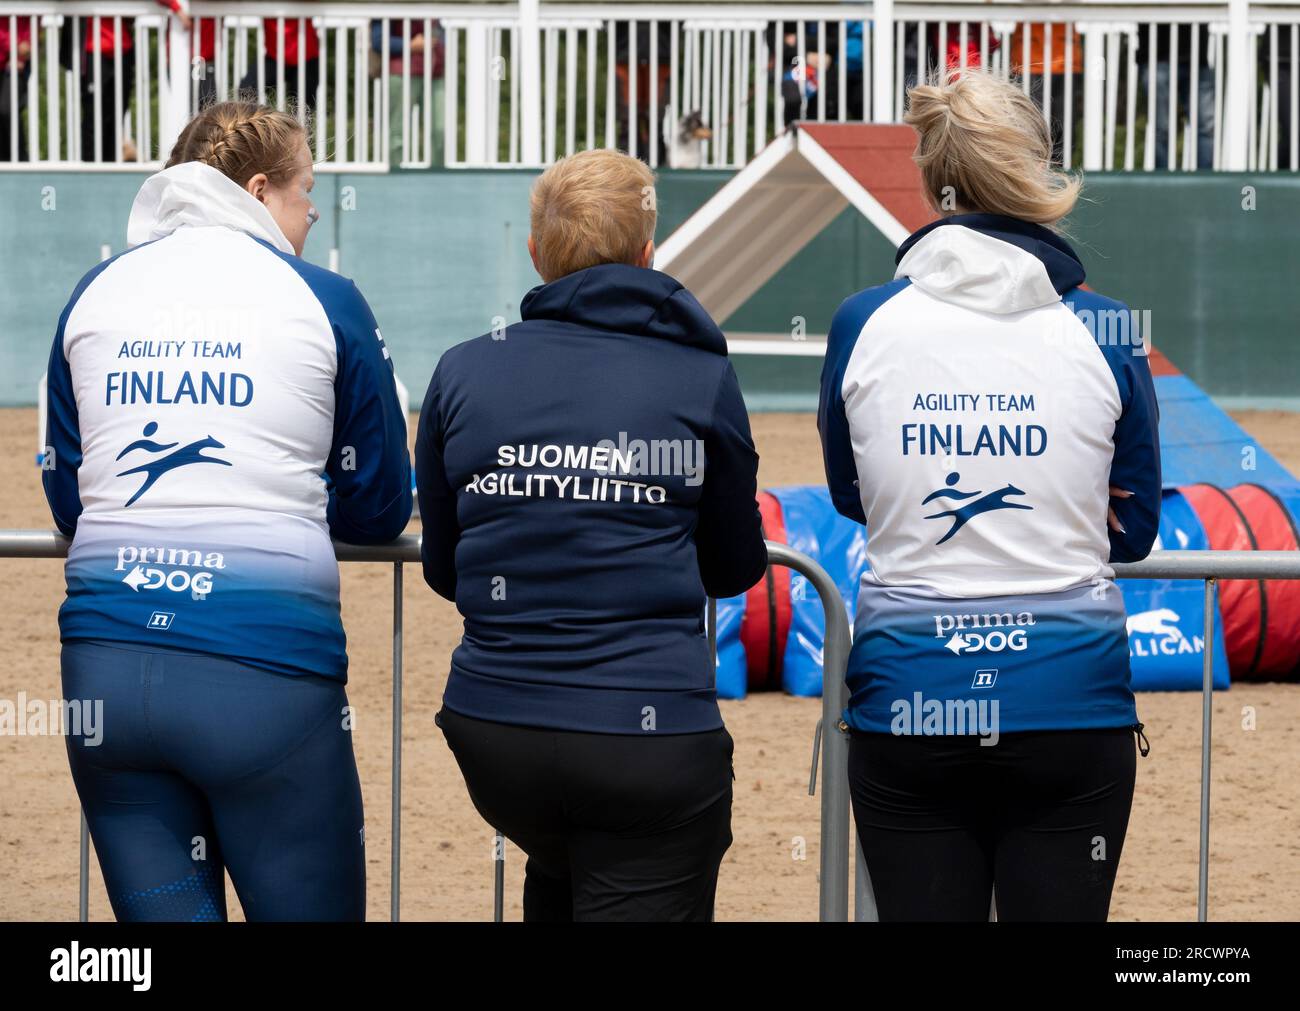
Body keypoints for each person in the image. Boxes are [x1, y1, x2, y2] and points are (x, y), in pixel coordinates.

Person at [44, 101, 411, 921]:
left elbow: (70, 493)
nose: (314, 209)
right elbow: (382, 504)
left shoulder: (94, 291)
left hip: (104, 665)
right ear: (256, 190)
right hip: (264, 672)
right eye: (305, 189)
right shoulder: (326, 298)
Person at [817, 69, 1160, 922]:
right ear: (1034, 173)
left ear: (934, 180)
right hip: (1069, 705)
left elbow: (853, 495)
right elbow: (1137, 525)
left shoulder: (865, 321)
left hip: (910, 701)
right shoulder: (1106, 327)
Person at [416, 148, 767, 922]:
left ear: (536, 253)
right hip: (645, 740)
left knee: (565, 866)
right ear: (649, 252)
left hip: (496, 732)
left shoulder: (464, 370)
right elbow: (737, 565)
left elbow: (446, 569)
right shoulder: (698, 374)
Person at [1138, 24, 1214, 169]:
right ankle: (1162, 184)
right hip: (1156, 55)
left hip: (1197, 57)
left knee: (1206, 128)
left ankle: (1206, 185)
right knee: (1161, 129)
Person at [371, 18, 445, 166]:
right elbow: (378, 41)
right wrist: (410, 45)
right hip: (401, 72)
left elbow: (443, 31)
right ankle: (396, 176)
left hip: (435, 72)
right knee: (398, 132)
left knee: (440, 129)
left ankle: (438, 177)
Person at [239, 17, 319, 111]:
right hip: (274, 55)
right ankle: (255, 123)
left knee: (303, 106)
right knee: (246, 90)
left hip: (306, 56)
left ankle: (298, 125)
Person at [0, 15, 32, 162]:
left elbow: (34, 13)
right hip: (11, 48)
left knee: (8, 111)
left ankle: (20, 162)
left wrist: (21, 53)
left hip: (17, 60)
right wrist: (14, 45)